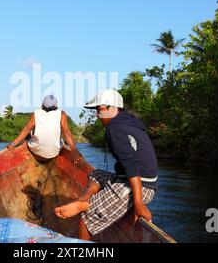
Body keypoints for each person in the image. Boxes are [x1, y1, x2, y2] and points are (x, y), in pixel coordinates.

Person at [54, 89, 159, 241]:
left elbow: (132, 166)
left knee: (87, 217)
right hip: (138, 181)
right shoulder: (129, 121)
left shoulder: (115, 127)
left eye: (100, 109)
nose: (97, 114)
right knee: (96, 174)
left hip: (141, 186)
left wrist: (138, 202)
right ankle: (84, 200)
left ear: (113, 108)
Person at [6, 95, 77, 162]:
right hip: (54, 153)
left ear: (42, 105)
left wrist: (12, 144)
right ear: (56, 106)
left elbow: (27, 129)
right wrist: (74, 151)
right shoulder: (62, 114)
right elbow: (66, 133)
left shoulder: (36, 113)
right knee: (62, 140)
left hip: (36, 152)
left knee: (28, 136)